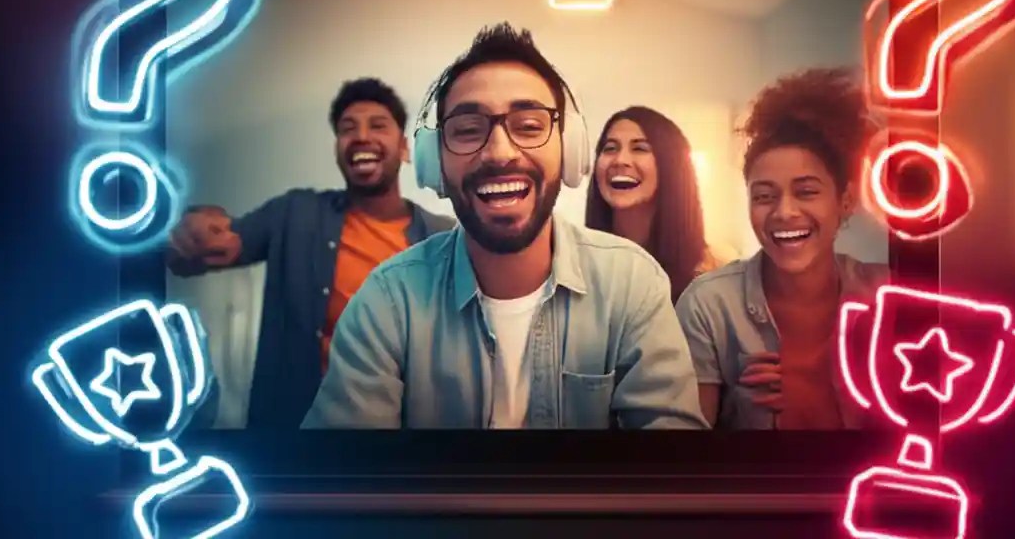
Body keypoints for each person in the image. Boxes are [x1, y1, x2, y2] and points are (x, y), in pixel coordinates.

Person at [304, 23, 707, 429]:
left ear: (569, 150)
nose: (499, 152)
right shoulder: (387, 302)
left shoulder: (631, 283)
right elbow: (343, 475)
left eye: (529, 126)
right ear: (434, 163)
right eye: (467, 130)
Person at [166, 78, 454, 428]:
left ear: (405, 149)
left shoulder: (443, 236)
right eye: (348, 129)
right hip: (293, 437)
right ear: (337, 149)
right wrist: (192, 230)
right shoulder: (294, 212)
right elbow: (214, 245)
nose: (361, 136)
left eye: (378, 126)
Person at [675, 68, 889, 430]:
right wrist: (737, 413)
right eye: (764, 196)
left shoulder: (889, 292)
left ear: (846, 200)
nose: (784, 212)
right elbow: (683, 462)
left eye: (806, 192)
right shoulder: (708, 305)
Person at [585, 106, 727, 302]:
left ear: (670, 166)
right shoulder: (577, 266)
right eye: (610, 148)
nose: (620, 160)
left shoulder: (711, 277)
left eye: (640, 149)